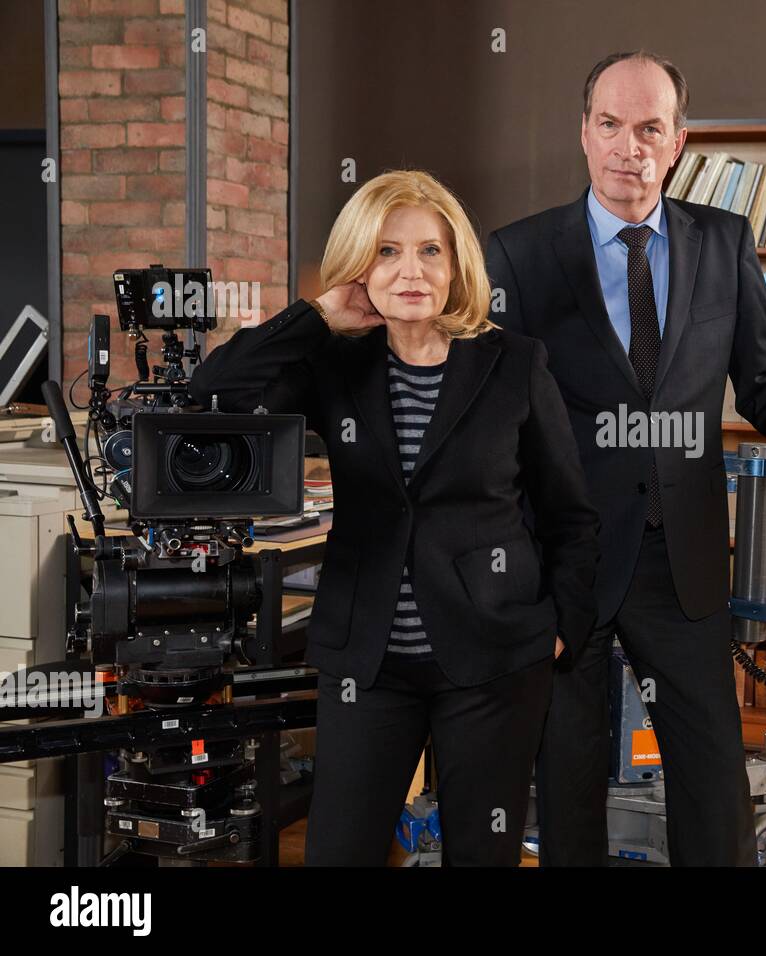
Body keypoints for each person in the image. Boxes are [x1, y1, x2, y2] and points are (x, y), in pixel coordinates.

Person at [484, 50, 766, 866]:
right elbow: (494, 421)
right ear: (584, 132)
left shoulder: (724, 242)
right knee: (565, 778)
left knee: (713, 780)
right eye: (610, 125)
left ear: (678, 141)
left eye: (650, 128)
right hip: (562, 561)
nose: (628, 148)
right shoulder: (520, 254)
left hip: (678, 559)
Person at [188, 169, 600, 866]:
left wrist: (563, 628)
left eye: (429, 250)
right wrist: (316, 315)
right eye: (386, 251)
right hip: (368, 660)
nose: (411, 269)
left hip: (496, 658)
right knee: (340, 851)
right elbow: (212, 394)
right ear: (359, 263)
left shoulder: (515, 364)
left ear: (455, 262)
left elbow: (572, 516)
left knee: (482, 852)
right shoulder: (332, 364)